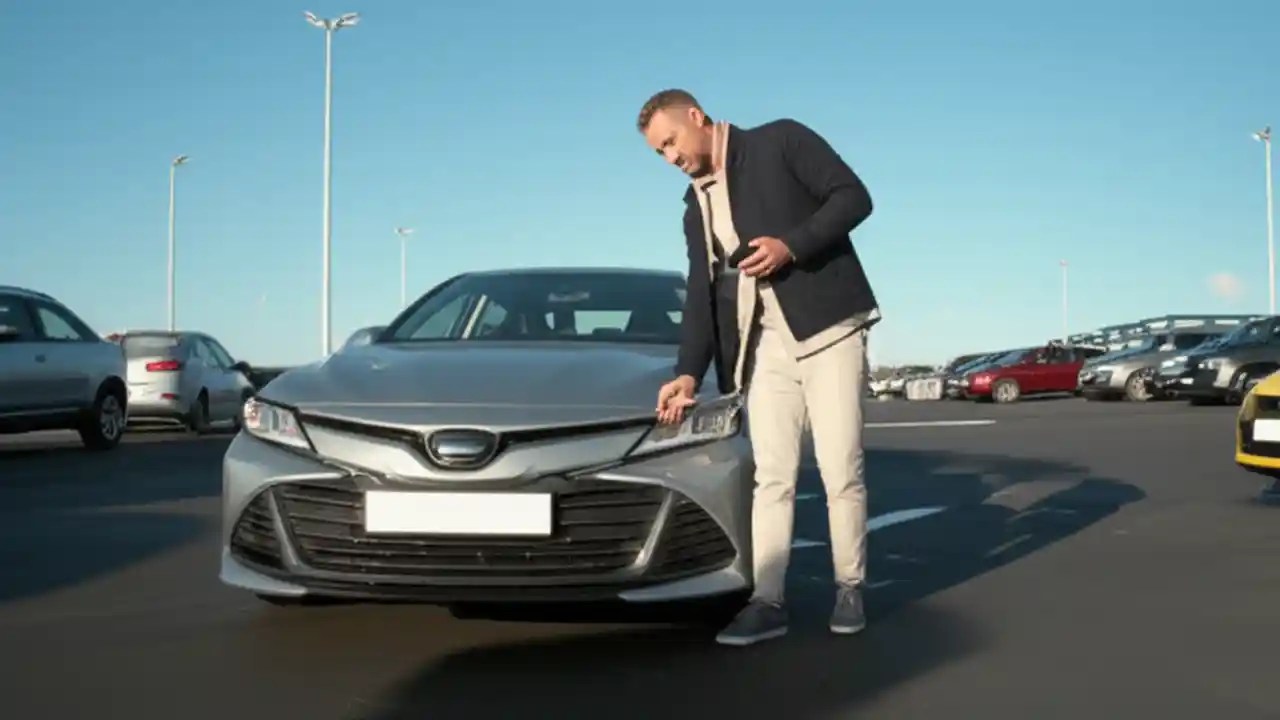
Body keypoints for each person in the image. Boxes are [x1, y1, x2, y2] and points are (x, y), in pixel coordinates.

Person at [637, 89, 880, 646]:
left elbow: (853, 197)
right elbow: (702, 292)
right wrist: (687, 374)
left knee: (841, 467)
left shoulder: (780, 140)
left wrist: (791, 246)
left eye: (671, 142)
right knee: (772, 477)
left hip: (829, 330)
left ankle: (850, 587)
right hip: (763, 345)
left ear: (696, 118)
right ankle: (767, 601)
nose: (670, 157)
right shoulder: (693, 203)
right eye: (659, 154)